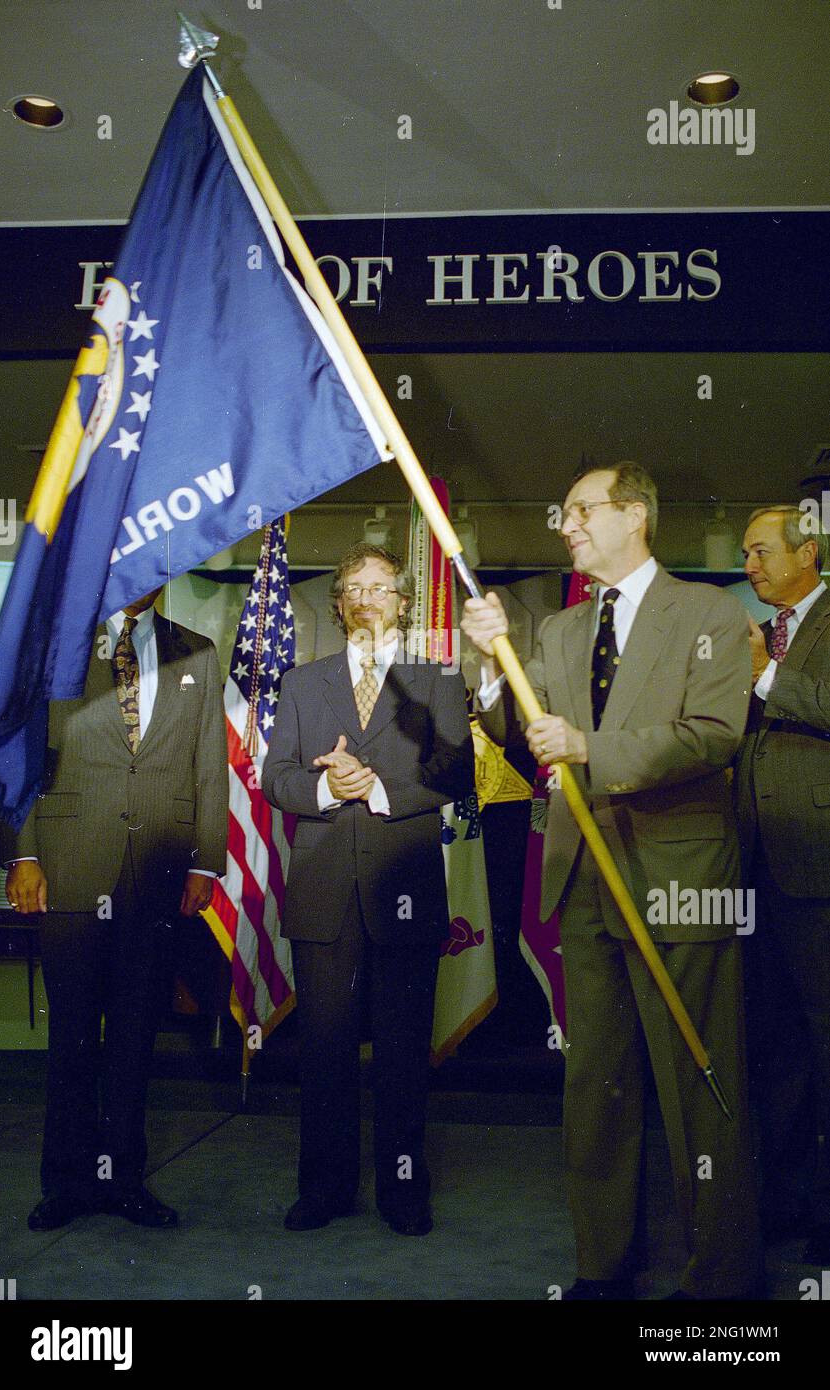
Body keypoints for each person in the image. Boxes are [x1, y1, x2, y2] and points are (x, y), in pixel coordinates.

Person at [461, 461, 761, 1300]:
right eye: (564, 514)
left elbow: (712, 734)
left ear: (636, 516)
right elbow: (524, 735)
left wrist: (592, 749)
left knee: (698, 1080)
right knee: (596, 1083)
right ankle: (603, 1263)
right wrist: (492, 666)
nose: (567, 525)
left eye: (583, 511)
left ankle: (723, 1277)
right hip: (582, 877)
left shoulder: (708, 613)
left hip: (678, 877)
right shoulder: (560, 631)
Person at [0, 588, 228, 1231]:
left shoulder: (199, 655)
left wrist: (205, 860)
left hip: (158, 871)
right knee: (72, 1036)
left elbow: (209, 764)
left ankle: (124, 1181)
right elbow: (19, 755)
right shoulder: (54, 643)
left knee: (134, 1037)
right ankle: (66, 1184)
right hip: (70, 864)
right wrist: (23, 855)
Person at [262, 543, 473, 1236]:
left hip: (403, 890)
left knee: (403, 1050)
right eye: (353, 587)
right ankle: (323, 1190)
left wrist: (377, 786)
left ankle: (402, 1192)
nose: (366, 598)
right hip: (322, 894)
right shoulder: (302, 682)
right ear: (339, 602)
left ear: (404, 603)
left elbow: (453, 774)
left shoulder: (436, 680)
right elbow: (277, 779)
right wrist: (326, 785)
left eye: (381, 587)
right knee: (323, 1052)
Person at [735, 504, 830, 1265]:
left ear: (809, 551)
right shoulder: (756, 635)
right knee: (779, 1050)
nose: (749, 566)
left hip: (819, 868)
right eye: (743, 553)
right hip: (757, 870)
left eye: (761, 551)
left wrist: (762, 675)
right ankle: (787, 1201)